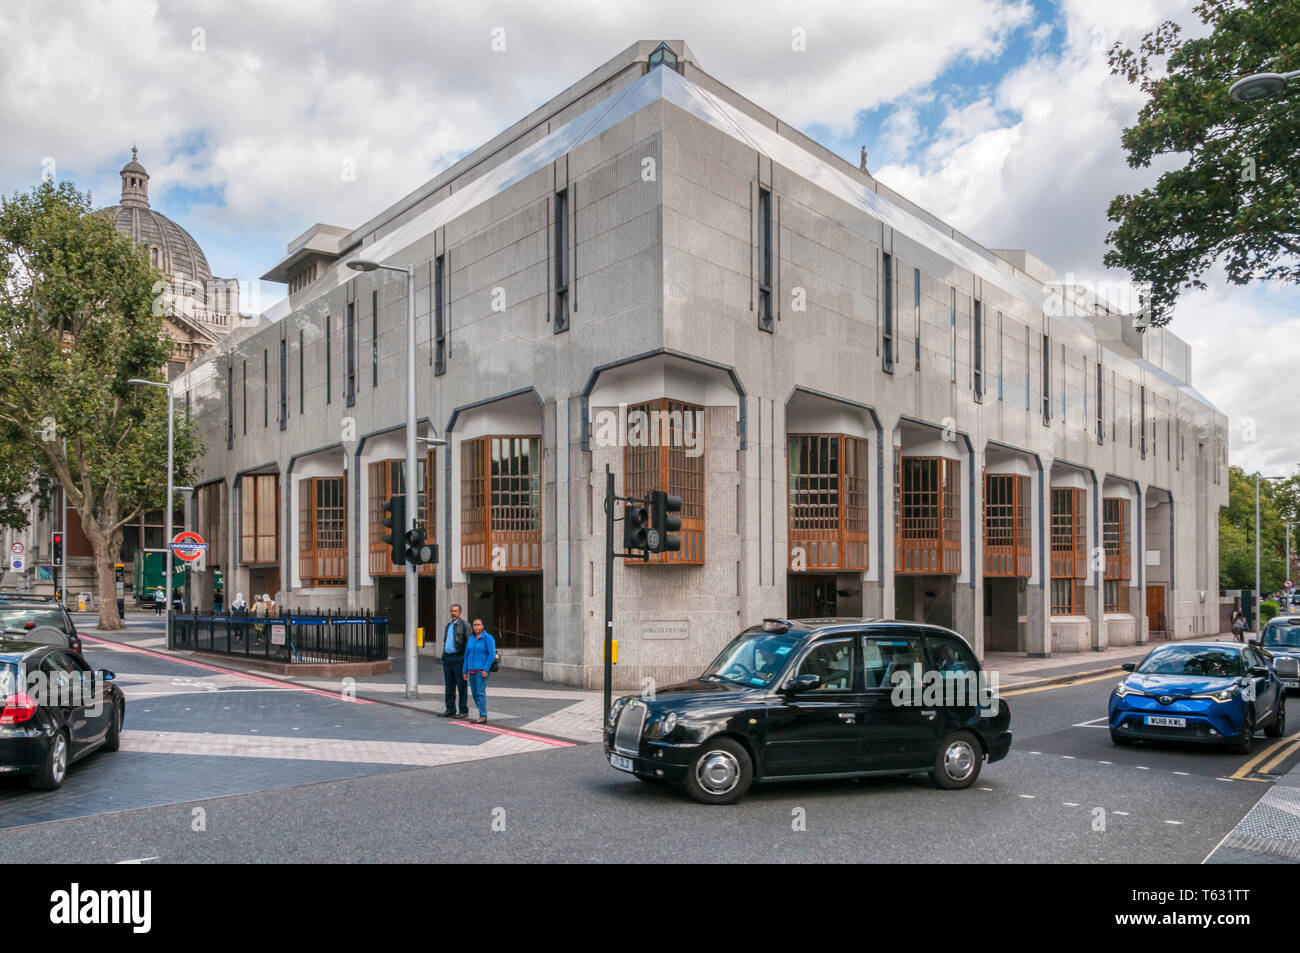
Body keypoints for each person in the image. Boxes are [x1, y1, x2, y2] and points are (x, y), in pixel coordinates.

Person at [462, 618, 496, 724]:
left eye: (478, 625)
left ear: (482, 626)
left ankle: (483, 715)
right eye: (474, 625)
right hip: (471, 671)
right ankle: (482, 713)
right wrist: (464, 671)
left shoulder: (488, 638)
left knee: (480, 693)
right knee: (475, 693)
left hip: (481, 671)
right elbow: (467, 655)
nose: (476, 627)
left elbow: (491, 655)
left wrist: (486, 669)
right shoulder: (471, 639)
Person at [439, 603, 471, 718]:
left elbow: (469, 643)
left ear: (460, 613)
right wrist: (444, 655)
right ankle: (450, 709)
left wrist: (465, 660)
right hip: (448, 658)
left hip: (459, 658)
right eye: (452, 611)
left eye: (456, 611)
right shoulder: (449, 625)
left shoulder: (465, 625)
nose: (453, 613)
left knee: (461, 686)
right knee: (449, 685)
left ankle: (463, 710)